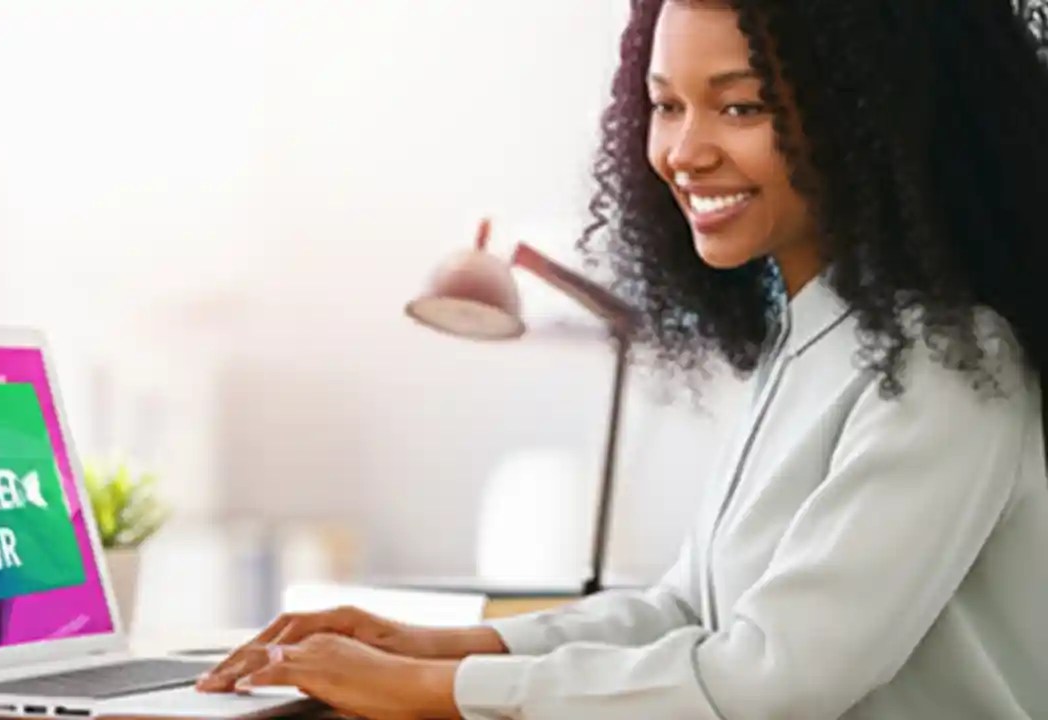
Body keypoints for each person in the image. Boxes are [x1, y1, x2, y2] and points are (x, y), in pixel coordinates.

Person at [197, 1, 1048, 717]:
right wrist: (440, 642)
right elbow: (688, 610)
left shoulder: (948, 365)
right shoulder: (811, 339)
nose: (684, 150)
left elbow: (772, 682)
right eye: (666, 104)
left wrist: (437, 687)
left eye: (740, 107)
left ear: (867, 113)